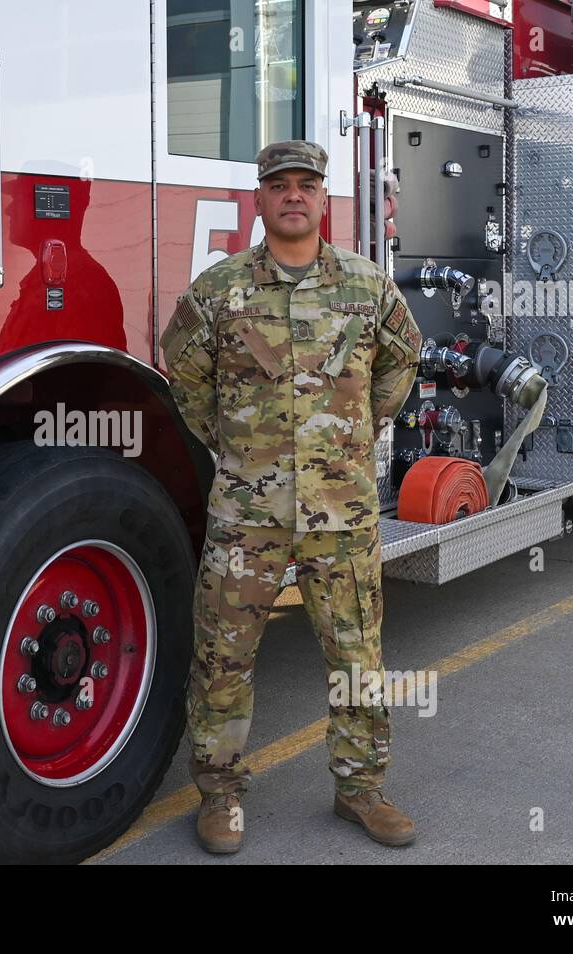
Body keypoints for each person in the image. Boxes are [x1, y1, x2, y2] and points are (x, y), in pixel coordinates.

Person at [160, 140, 423, 853]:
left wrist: (357, 426)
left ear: (324, 198)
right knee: (222, 657)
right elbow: (182, 373)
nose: (294, 195)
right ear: (260, 201)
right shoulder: (218, 292)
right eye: (280, 185)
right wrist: (236, 446)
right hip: (248, 516)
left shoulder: (368, 288)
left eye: (307, 184)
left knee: (356, 656)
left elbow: (403, 360)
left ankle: (361, 790)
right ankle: (219, 796)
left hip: (342, 513)